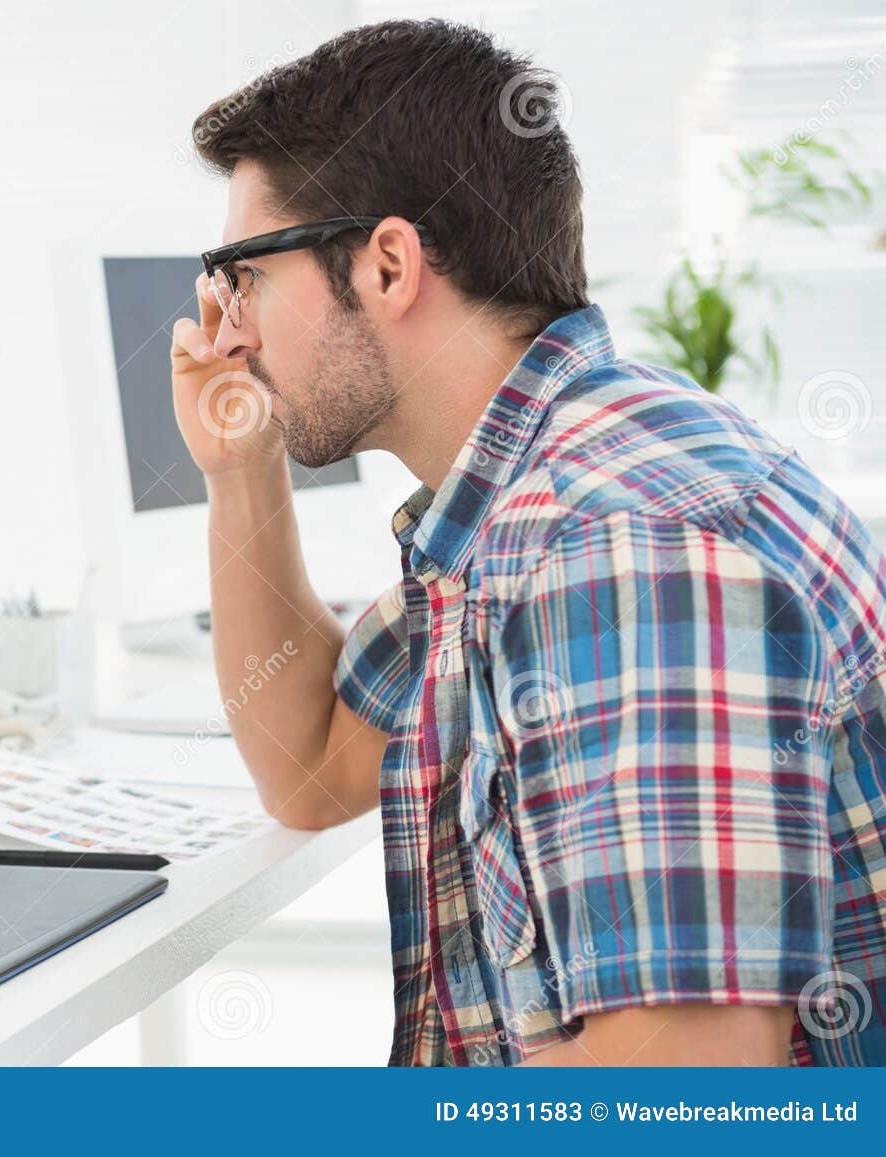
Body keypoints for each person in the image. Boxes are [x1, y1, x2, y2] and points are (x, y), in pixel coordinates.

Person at [172, 20, 886, 1067]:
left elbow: (683, 1099)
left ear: (385, 265)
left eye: (244, 276)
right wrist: (238, 471)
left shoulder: (615, 547)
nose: (224, 331)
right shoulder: (533, 489)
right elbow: (310, 764)